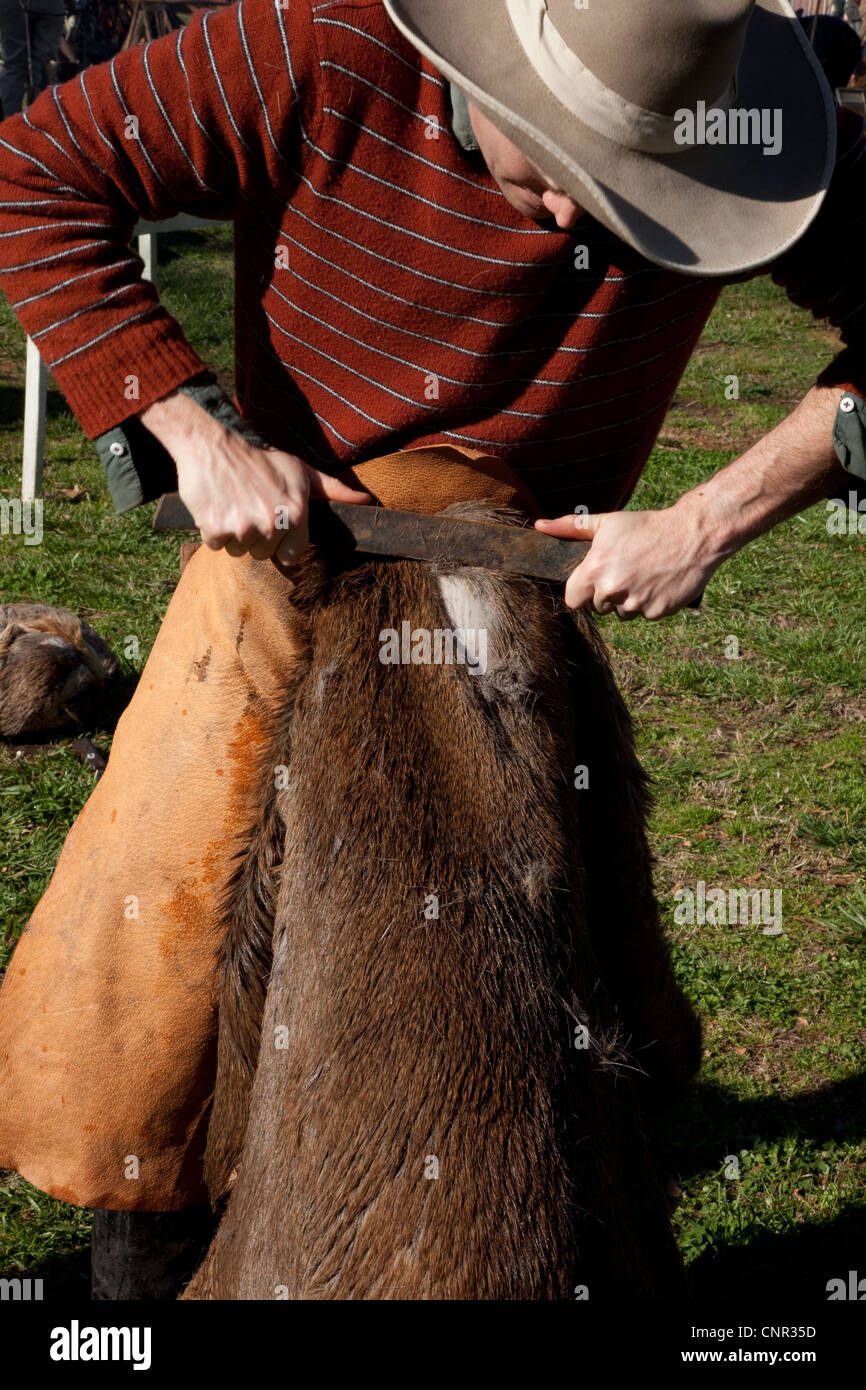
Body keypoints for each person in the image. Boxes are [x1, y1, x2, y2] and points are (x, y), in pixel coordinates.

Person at [0, 0, 865, 1296]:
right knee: (150, 960)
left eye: (638, 194)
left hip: (530, 597)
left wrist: (706, 518)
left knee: (578, 977)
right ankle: (145, 1245)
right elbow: (36, 169)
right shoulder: (321, 46)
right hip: (282, 562)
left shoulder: (725, 116)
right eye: (562, 174)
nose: (585, 228)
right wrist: (196, 431)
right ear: (487, 79)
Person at [0, 0, 64, 118]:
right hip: (51, 6)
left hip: (13, 4)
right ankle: (41, 121)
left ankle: (11, 125)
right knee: (41, 64)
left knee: (14, 66)